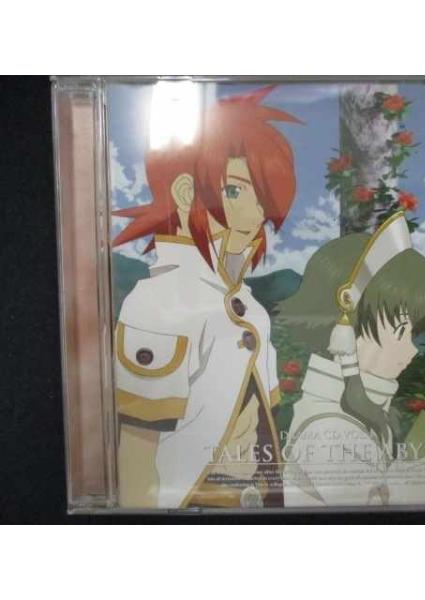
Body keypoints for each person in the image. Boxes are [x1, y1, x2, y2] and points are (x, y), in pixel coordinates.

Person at [112, 86, 301, 509]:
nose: (254, 216)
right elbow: (137, 460)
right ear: (184, 193)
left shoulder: (251, 309)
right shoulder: (156, 304)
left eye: (262, 197)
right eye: (235, 191)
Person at [277, 211, 425, 507]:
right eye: (402, 331)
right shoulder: (331, 430)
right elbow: (384, 514)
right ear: (348, 328)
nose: (413, 350)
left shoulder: (352, 412)